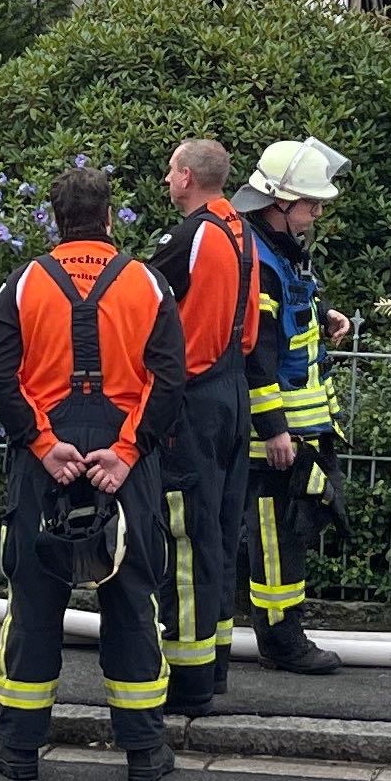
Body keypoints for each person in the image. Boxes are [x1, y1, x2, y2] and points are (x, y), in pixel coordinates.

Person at [0, 160, 186, 781]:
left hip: (49, 459)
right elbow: (171, 378)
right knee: (131, 597)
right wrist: (126, 452)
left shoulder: (24, 282)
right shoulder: (146, 285)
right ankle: (145, 750)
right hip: (123, 461)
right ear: (111, 218)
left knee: (35, 600)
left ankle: (18, 748)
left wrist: (42, 445)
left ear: (56, 219)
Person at [146, 137, 258, 716]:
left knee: (186, 534)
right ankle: (212, 666)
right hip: (232, 391)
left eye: (171, 172)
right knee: (216, 530)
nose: (167, 180)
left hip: (192, 396)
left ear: (188, 176)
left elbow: (140, 295)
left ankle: (187, 682)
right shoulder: (240, 230)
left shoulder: (190, 236)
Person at [238, 137, 353, 675]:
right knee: (276, 537)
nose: (318, 212)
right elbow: (257, 357)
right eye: (310, 204)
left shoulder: (277, 252)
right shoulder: (259, 262)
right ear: (277, 204)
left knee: (288, 533)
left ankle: (283, 633)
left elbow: (291, 309)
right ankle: (283, 642)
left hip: (297, 430)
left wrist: (323, 313)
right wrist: (276, 428)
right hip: (277, 436)